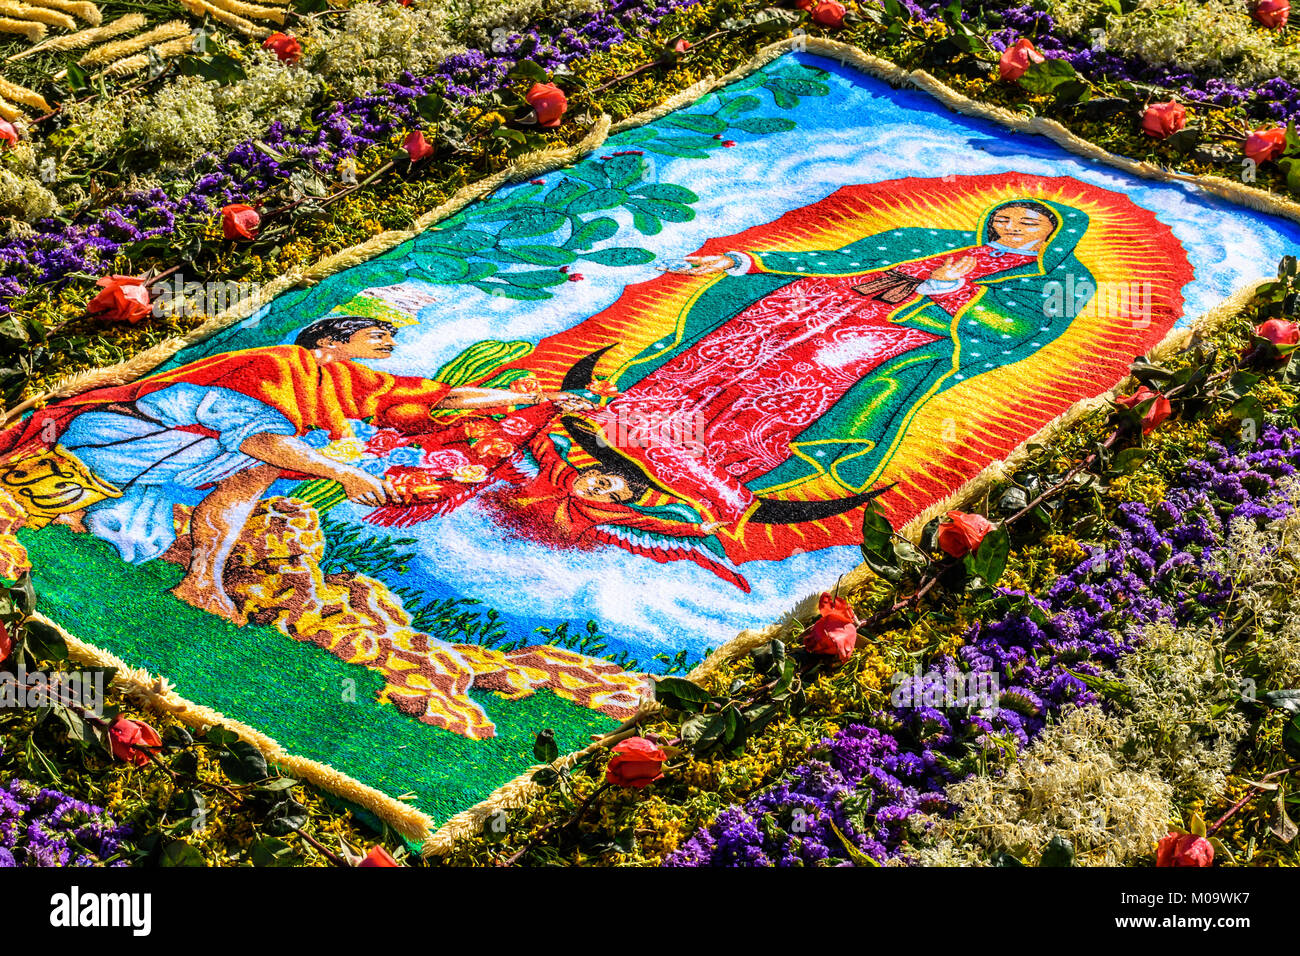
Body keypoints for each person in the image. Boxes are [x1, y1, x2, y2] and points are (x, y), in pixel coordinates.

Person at [0, 316, 586, 621]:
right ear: (335, 338)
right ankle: (58, 506)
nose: (388, 340)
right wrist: (347, 474)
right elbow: (260, 437)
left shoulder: (353, 383)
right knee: (260, 458)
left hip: (180, 464)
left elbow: (439, 399)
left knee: (243, 486)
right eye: (377, 333)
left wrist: (530, 403)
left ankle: (203, 580)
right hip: (118, 443)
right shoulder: (277, 364)